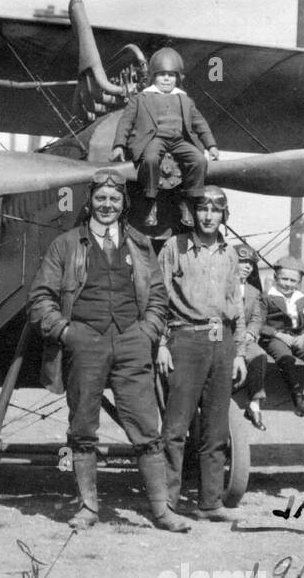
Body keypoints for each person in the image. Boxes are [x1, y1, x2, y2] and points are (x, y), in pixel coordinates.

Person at [29, 170, 188, 531]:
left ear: (123, 204)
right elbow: (40, 297)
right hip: (85, 341)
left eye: (114, 199)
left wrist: (148, 330)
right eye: (101, 198)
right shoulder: (67, 244)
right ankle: (88, 507)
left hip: (132, 341)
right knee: (82, 427)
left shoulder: (139, 243)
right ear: (91, 201)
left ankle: (162, 510)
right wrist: (66, 332)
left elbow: (158, 292)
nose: (107, 205)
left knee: (147, 427)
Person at [156, 186, 246, 522]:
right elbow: (158, 298)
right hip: (186, 340)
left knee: (215, 428)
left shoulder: (230, 254)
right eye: (203, 209)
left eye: (216, 210)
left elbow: (237, 306)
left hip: (221, 342)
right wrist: (162, 344)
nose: (209, 216)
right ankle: (167, 503)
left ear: (224, 214)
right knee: (176, 427)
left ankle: (210, 503)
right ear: (192, 213)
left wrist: (238, 351)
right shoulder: (173, 248)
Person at [110, 47, 219, 201]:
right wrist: (118, 145)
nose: (166, 79)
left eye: (171, 75)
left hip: (179, 140)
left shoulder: (185, 100)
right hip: (155, 139)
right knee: (150, 159)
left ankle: (191, 197)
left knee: (199, 160)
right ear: (153, 77)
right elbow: (125, 122)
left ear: (177, 78)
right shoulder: (140, 98)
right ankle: (151, 196)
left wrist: (211, 145)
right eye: (162, 75)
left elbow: (200, 123)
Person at [260, 255, 304, 420]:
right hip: (275, 337)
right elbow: (259, 324)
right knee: (286, 359)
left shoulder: (301, 299)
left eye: (293, 281)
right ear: (275, 278)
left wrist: (303, 336)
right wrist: (278, 334)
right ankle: (296, 397)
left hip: (297, 336)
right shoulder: (267, 297)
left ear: (299, 282)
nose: (288, 284)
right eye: (284, 279)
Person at [234, 244, 268, 431]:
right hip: (220, 338)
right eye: (243, 262)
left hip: (243, 339)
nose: (247, 267)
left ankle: (254, 404)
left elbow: (256, 318)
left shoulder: (254, 292)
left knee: (259, 355)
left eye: (250, 264)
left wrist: (251, 332)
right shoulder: (219, 284)